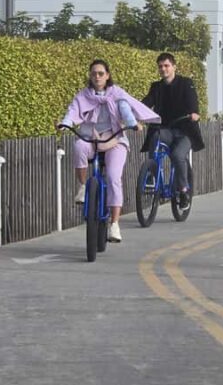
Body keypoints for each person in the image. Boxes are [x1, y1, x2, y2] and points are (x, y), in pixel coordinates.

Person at [57, 59, 160, 243]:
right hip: (91, 137)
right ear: (90, 76)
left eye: (101, 73)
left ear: (107, 75)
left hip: (115, 139)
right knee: (78, 146)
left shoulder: (117, 93)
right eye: (94, 73)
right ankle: (82, 187)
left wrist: (133, 124)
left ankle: (114, 224)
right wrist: (65, 123)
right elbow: (73, 111)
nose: (97, 76)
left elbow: (126, 111)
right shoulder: (83, 95)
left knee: (113, 178)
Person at [141, 52, 204, 210]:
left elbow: (193, 103)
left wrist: (194, 114)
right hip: (166, 130)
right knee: (155, 139)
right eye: (160, 66)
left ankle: (183, 191)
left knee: (177, 155)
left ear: (174, 67)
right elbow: (147, 102)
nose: (163, 69)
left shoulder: (186, 83)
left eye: (166, 65)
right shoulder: (156, 87)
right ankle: (152, 176)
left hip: (185, 131)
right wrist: (135, 112)